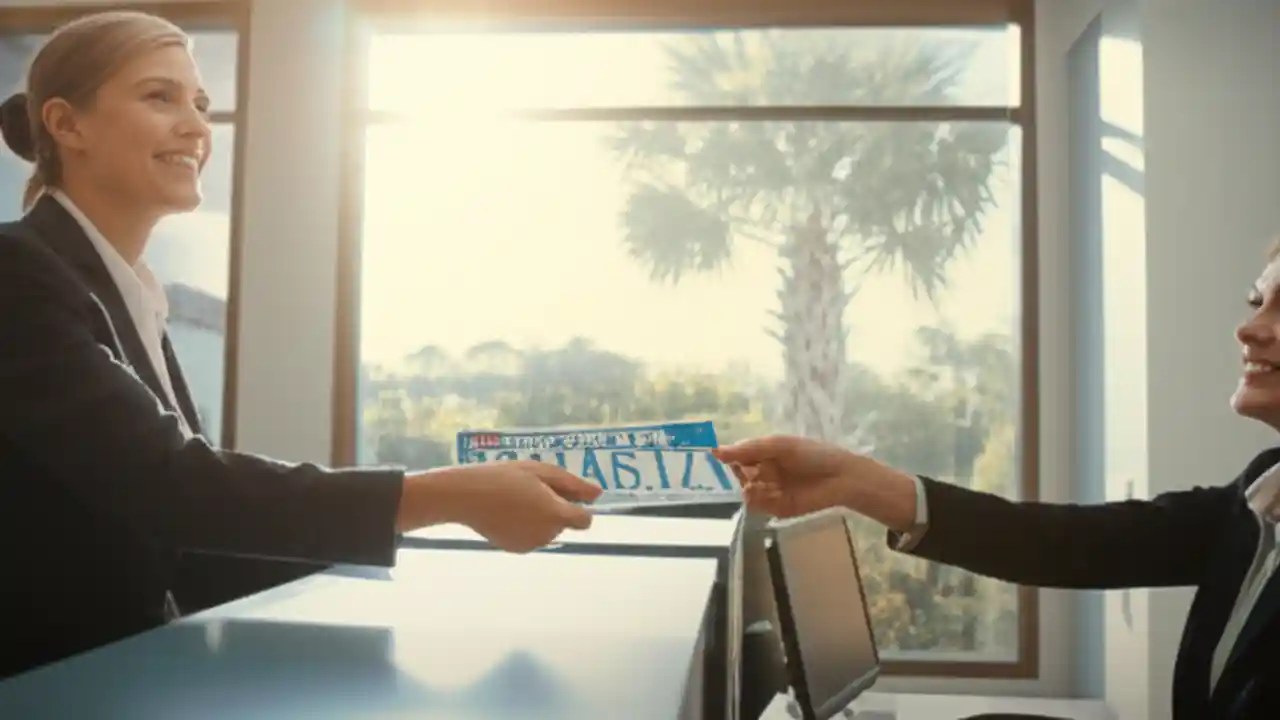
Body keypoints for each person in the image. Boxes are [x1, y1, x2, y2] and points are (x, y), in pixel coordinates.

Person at [0, 11, 602, 679]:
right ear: (67, 124)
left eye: (200, 103)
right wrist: (445, 498)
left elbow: (191, 545)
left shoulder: (128, 291)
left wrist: (421, 574)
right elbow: (170, 487)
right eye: (159, 97)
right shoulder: (16, 272)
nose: (197, 126)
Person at [716, 250, 1280, 719]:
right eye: (1257, 302)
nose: (1249, 328)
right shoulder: (1261, 495)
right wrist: (852, 480)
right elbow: (1066, 543)